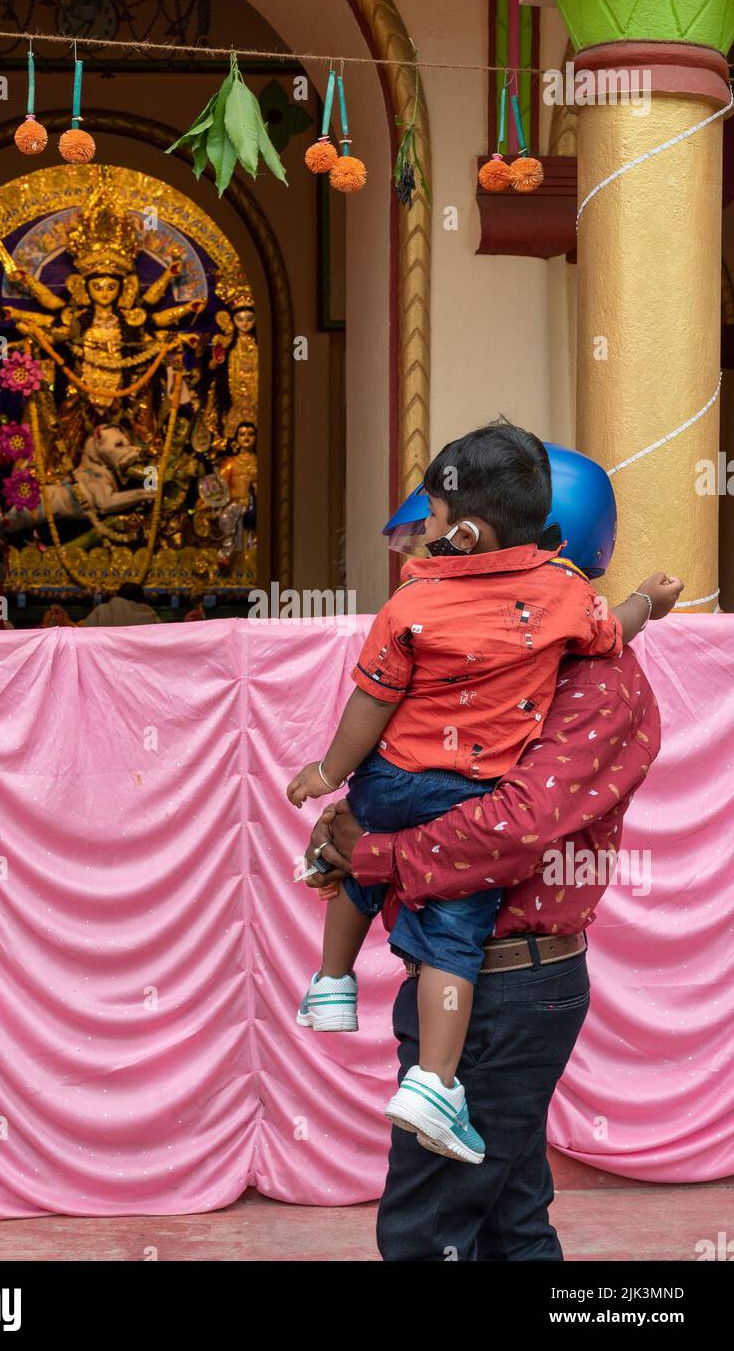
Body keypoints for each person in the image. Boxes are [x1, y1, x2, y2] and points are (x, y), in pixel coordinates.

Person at [302, 444, 666, 1259]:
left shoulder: (599, 684)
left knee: (428, 1230)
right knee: (508, 1225)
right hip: (478, 983)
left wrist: (372, 852)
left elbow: (515, 826)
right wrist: (350, 812)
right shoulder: (499, 666)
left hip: (507, 994)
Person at [81, 582, 161, 627]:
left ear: (118, 594)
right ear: (142, 597)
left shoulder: (101, 610)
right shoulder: (149, 615)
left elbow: (87, 632)